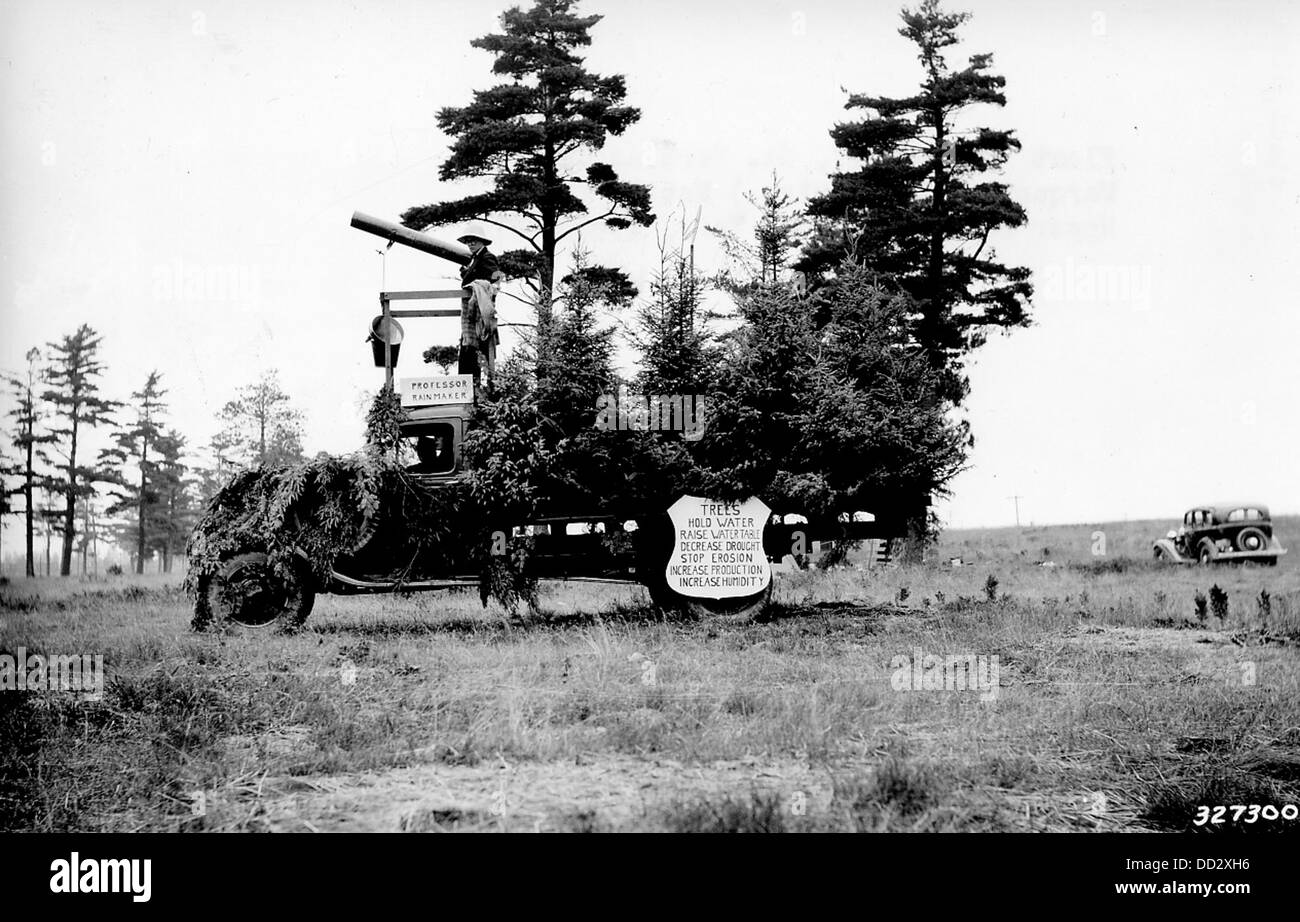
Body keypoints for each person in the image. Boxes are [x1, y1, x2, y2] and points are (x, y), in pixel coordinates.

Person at [456, 222, 502, 390]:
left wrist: (494, 286)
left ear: (482, 241)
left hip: (479, 311)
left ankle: (476, 388)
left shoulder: (487, 257)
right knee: (469, 348)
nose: (470, 243)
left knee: (474, 348)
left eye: (474, 240)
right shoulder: (475, 259)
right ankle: (470, 387)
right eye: (468, 240)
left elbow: (497, 274)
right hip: (472, 308)